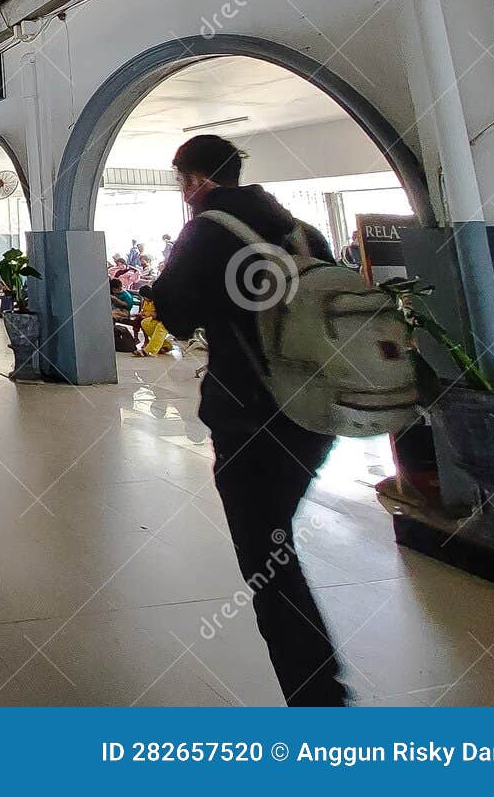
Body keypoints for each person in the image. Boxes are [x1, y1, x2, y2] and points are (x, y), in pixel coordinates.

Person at [151, 134, 347, 707]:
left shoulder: (207, 231)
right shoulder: (301, 231)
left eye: (182, 182)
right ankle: (319, 687)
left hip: (250, 415)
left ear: (193, 180)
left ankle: (319, 697)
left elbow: (176, 315)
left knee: (267, 559)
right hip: (315, 412)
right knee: (274, 539)